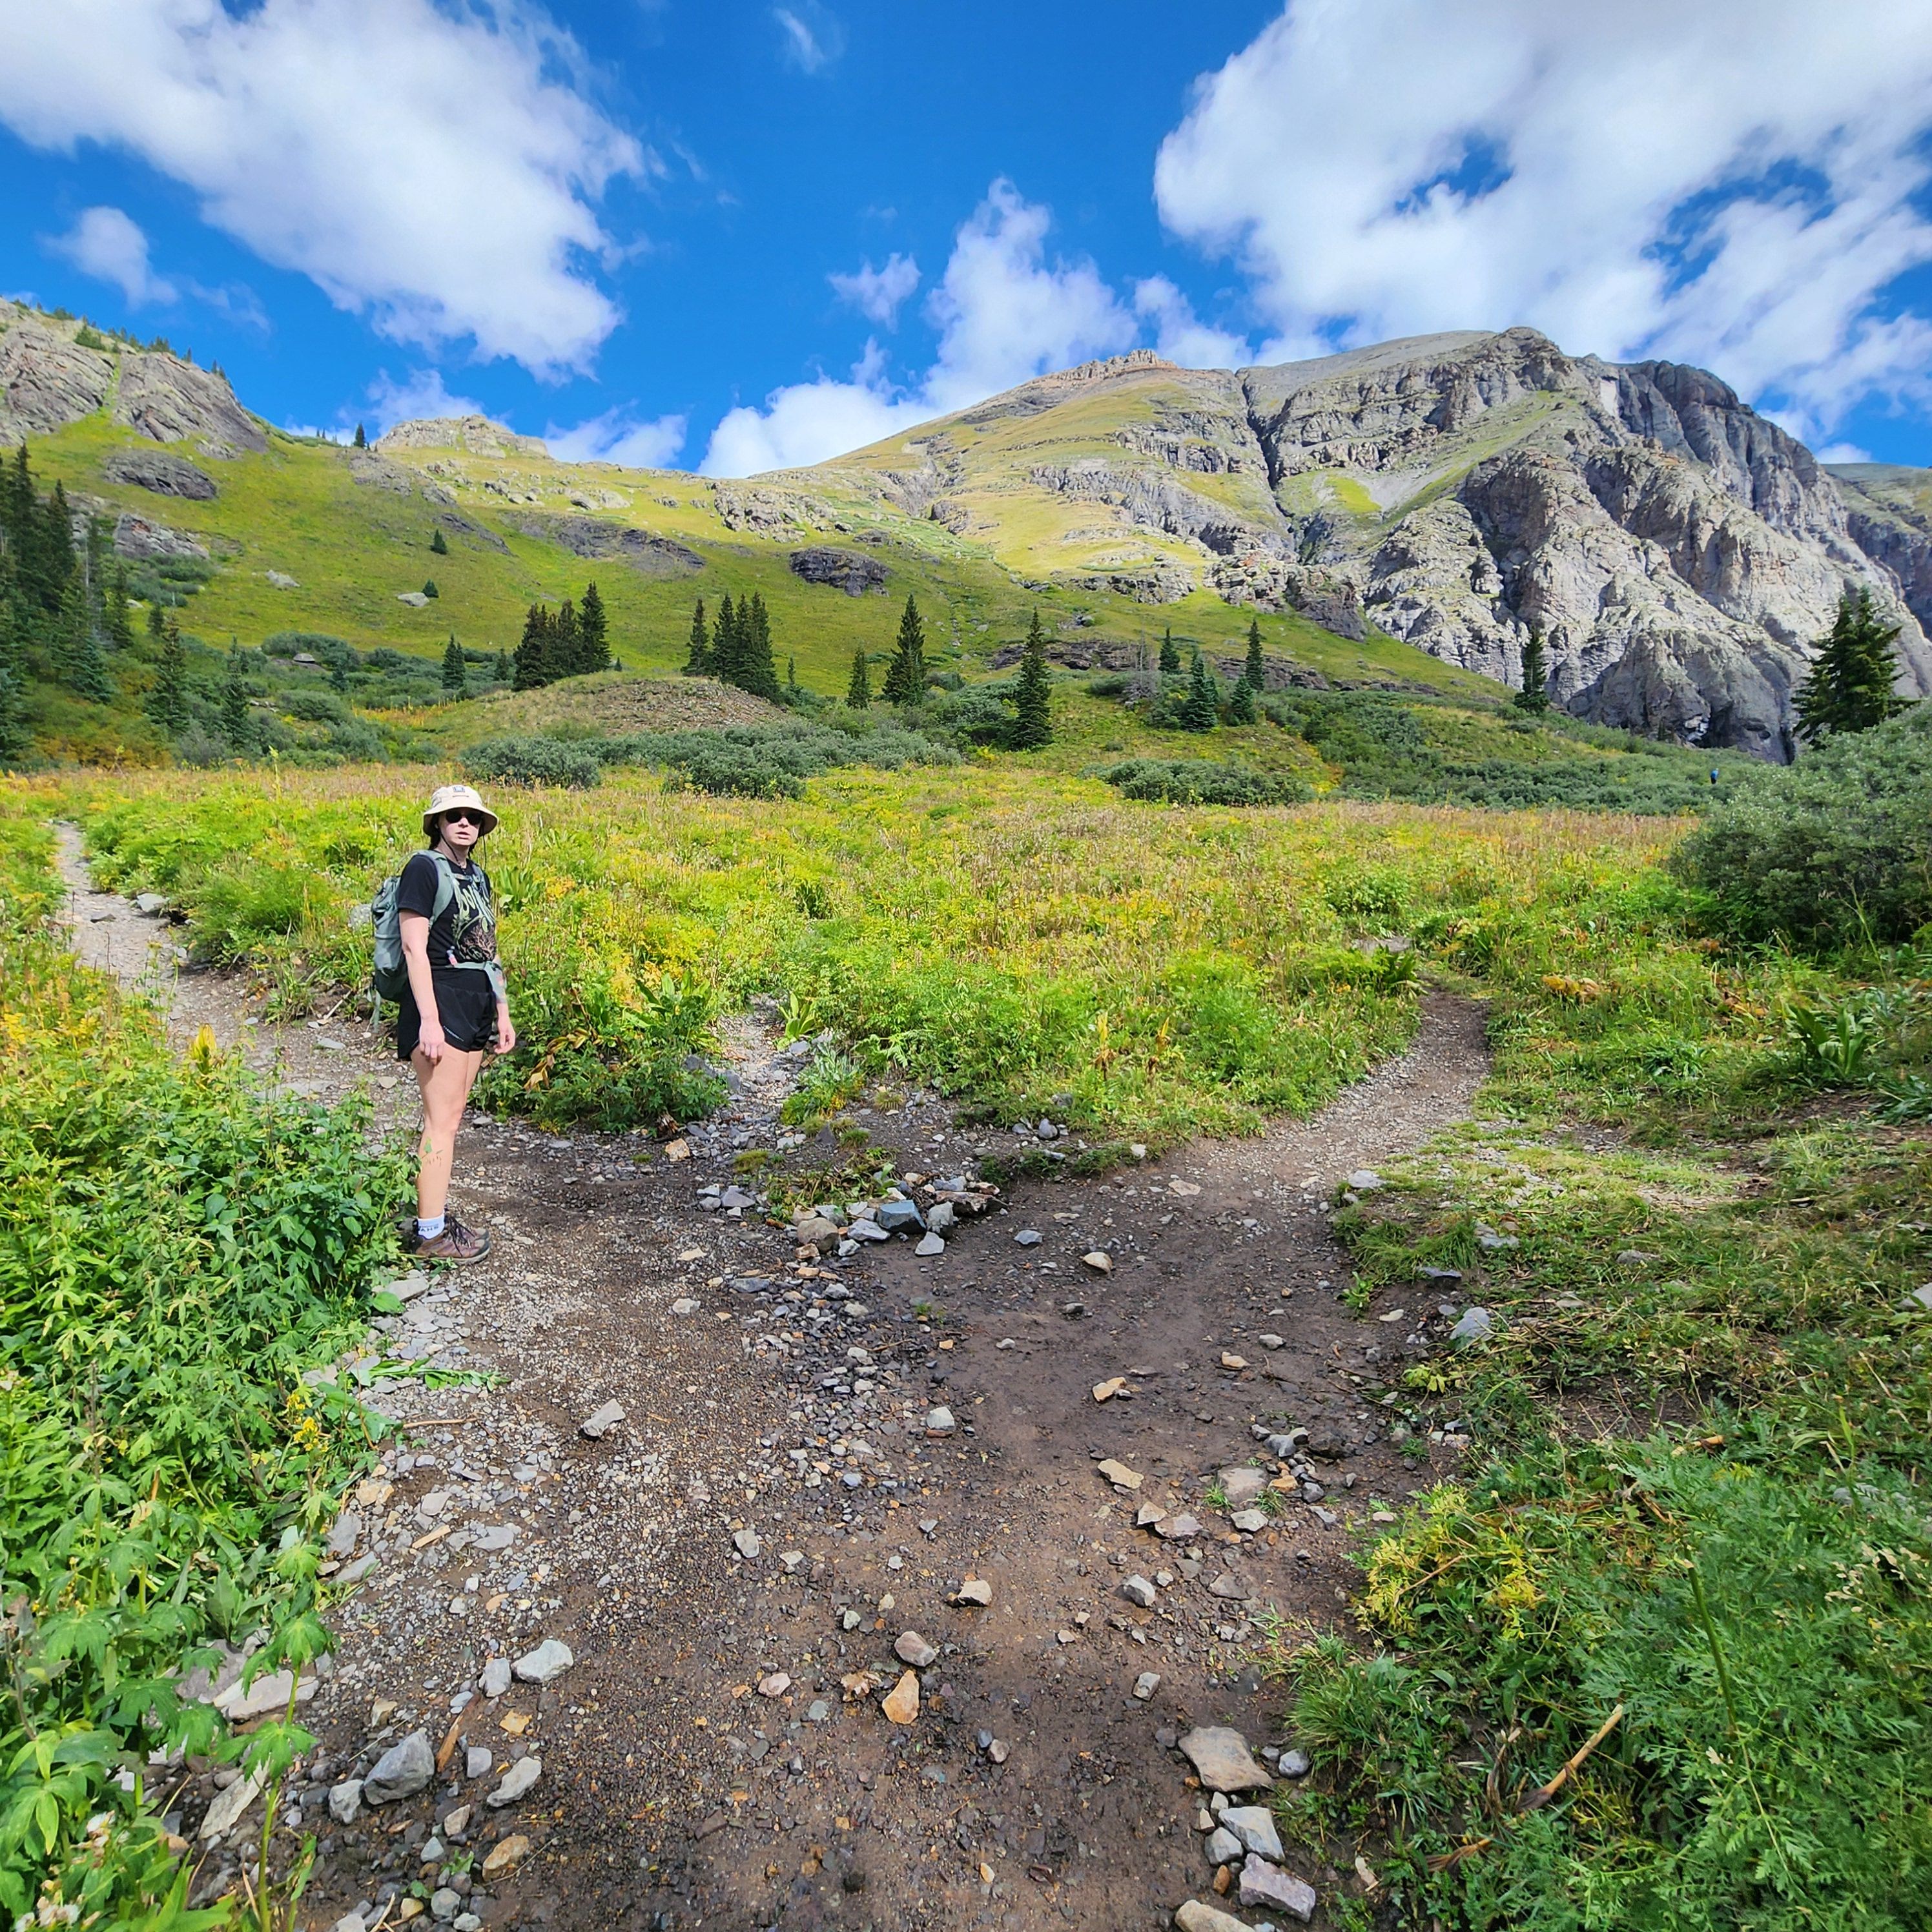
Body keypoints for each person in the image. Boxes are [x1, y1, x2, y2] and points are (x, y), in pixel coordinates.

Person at [396, 784, 515, 1261]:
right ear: (437, 824)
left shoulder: (477, 877)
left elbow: (488, 947)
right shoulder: (423, 868)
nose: (464, 823)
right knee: (440, 1121)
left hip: (475, 1002)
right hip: (440, 1002)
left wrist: (502, 1010)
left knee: (452, 1116)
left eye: (472, 817)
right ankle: (430, 1235)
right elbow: (413, 947)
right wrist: (428, 1019)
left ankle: (434, 1218)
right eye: (453, 816)